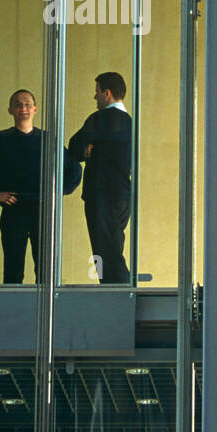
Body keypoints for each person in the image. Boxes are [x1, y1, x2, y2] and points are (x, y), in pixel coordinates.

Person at [0, 89, 81, 284]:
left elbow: (74, 170)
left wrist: (58, 192)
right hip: (13, 210)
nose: (23, 108)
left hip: (42, 211)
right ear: (10, 110)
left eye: (27, 104)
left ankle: (44, 313)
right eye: (17, 104)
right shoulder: (0, 139)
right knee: (12, 269)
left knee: (45, 272)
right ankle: (12, 312)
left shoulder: (49, 140)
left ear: (35, 109)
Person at [66, 71, 133, 284]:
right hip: (123, 196)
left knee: (105, 253)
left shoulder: (100, 119)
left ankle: (119, 297)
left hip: (101, 196)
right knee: (113, 246)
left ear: (107, 93)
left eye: (97, 92)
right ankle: (118, 294)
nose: (94, 97)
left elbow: (75, 147)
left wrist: (88, 149)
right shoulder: (130, 122)